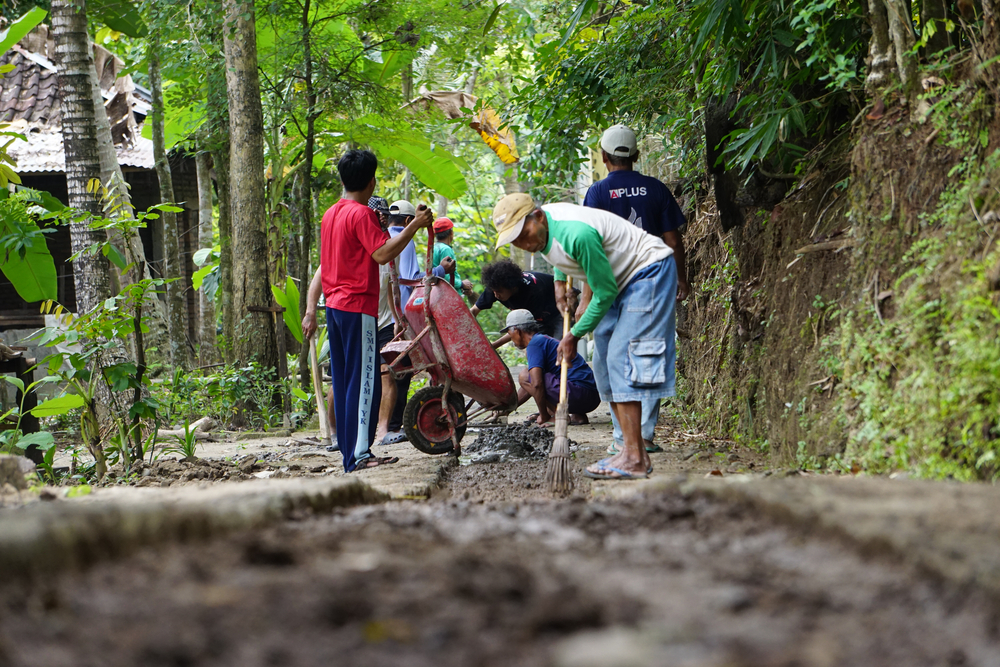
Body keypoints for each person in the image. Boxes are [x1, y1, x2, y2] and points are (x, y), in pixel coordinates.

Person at [492, 193, 677, 480]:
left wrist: (574, 335)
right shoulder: (543, 232)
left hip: (647, 272)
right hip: (619, 277)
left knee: (621, 357)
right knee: (603, 363)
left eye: (522, 234)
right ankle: (629, 449)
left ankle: (635, 457)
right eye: (514, 240)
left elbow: (603, 293)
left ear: (537, 217)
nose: (522, 244)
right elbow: (559, 255)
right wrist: (558, 282)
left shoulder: (577, 234)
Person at [302, 149, 432, 472]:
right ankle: (359, 454)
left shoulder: (330, 214)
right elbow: (382, 253)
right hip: (358, 307)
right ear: (371, 182)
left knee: (346, 380)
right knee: (365, 382)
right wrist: (414, 225)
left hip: (334, 308)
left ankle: (351, 453)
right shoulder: (360, 215)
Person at [584, 123, 690, 455]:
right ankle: (643, 435)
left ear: (603, 156)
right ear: (637, 155)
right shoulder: (656, 189)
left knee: (608, 355)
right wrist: (682, 278)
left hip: (610, 285)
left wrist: (586, 296)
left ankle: (621, 437)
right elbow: (673, 240)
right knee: (648, 351)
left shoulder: (598, 193)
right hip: (650, 283)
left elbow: (590, 246)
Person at [503, 309, 600, 426]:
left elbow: (536, 384)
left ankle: (557, 416)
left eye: (509, 333)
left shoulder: (534, 344)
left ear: (517, 331)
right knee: (532, 376)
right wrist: (506, 409)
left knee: (525, 375)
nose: (510, 338)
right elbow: (529, 386)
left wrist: (544, 416)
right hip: (592, 398)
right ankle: (578, 416)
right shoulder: (543, 340)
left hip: (579, 393)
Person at [378, 199, 425, 446]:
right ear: (409, 221)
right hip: (401, 315)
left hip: (382, 313)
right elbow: (411, 278)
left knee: (384, 370)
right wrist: (438, 271)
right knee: (399, 369)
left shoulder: (382, 237)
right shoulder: (406, 239)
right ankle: (394, 424)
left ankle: (386, 423)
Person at [471, 259, 562, 347]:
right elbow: (473, 311)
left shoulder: (532, 292)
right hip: (539, 316)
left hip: (558, 310)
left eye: (499, 292)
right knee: (537, 350)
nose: (496, 295)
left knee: (557, 348)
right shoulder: (495, 286)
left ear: (513, 288)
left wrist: (492, 347)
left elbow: (521, 330)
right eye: (493, 291)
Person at [430, 217, 475, 301]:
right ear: (451, 233)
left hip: (437, 292)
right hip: (449, 295)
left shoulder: (433, 248)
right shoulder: (446, 249)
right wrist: (461, 284)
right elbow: (446, 276)